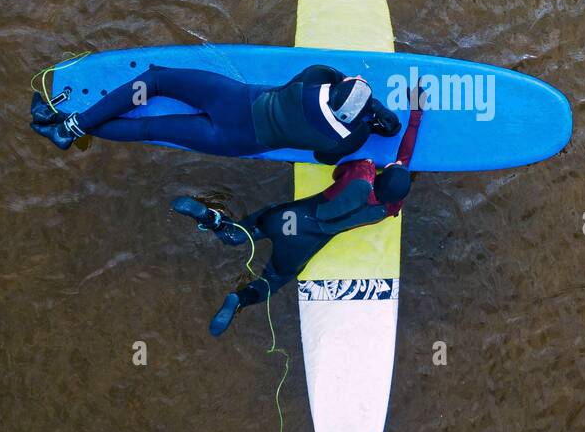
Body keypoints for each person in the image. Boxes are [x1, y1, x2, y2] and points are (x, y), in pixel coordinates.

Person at [172, 95, 423, 335]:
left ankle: (209, 218)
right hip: (303, 243)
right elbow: (404, 163)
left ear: (384, 173)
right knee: (273, 280)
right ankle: (238, 299)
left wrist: (416, 112)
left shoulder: (364, 172)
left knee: (238, 234)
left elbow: (344, 173)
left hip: (289, 218)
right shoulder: (388, 209)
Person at [30, 63, 399, 164]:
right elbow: (324, 157)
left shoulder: (316, 80)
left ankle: (70, 125)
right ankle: (64, 131)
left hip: (233, 100)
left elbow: (339, 76)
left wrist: (372, 103)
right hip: (237, 140)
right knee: (146, 128)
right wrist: (371, 122)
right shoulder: (347, 137)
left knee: (156, 81)